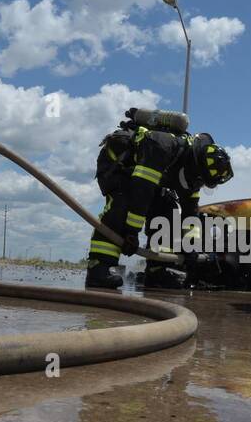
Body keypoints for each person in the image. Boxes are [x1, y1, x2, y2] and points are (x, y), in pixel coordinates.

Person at [85, 108, 233, 289]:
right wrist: (132, 231)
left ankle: (157, 271)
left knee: (168, 211)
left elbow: (190, 213)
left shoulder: (192, 175)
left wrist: (192, 245)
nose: (199, 184)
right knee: (122, 205)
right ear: (197, 165)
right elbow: (142, 191)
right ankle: (98, 268)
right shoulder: (162, 147)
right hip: (118, 163)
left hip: (146, 177)